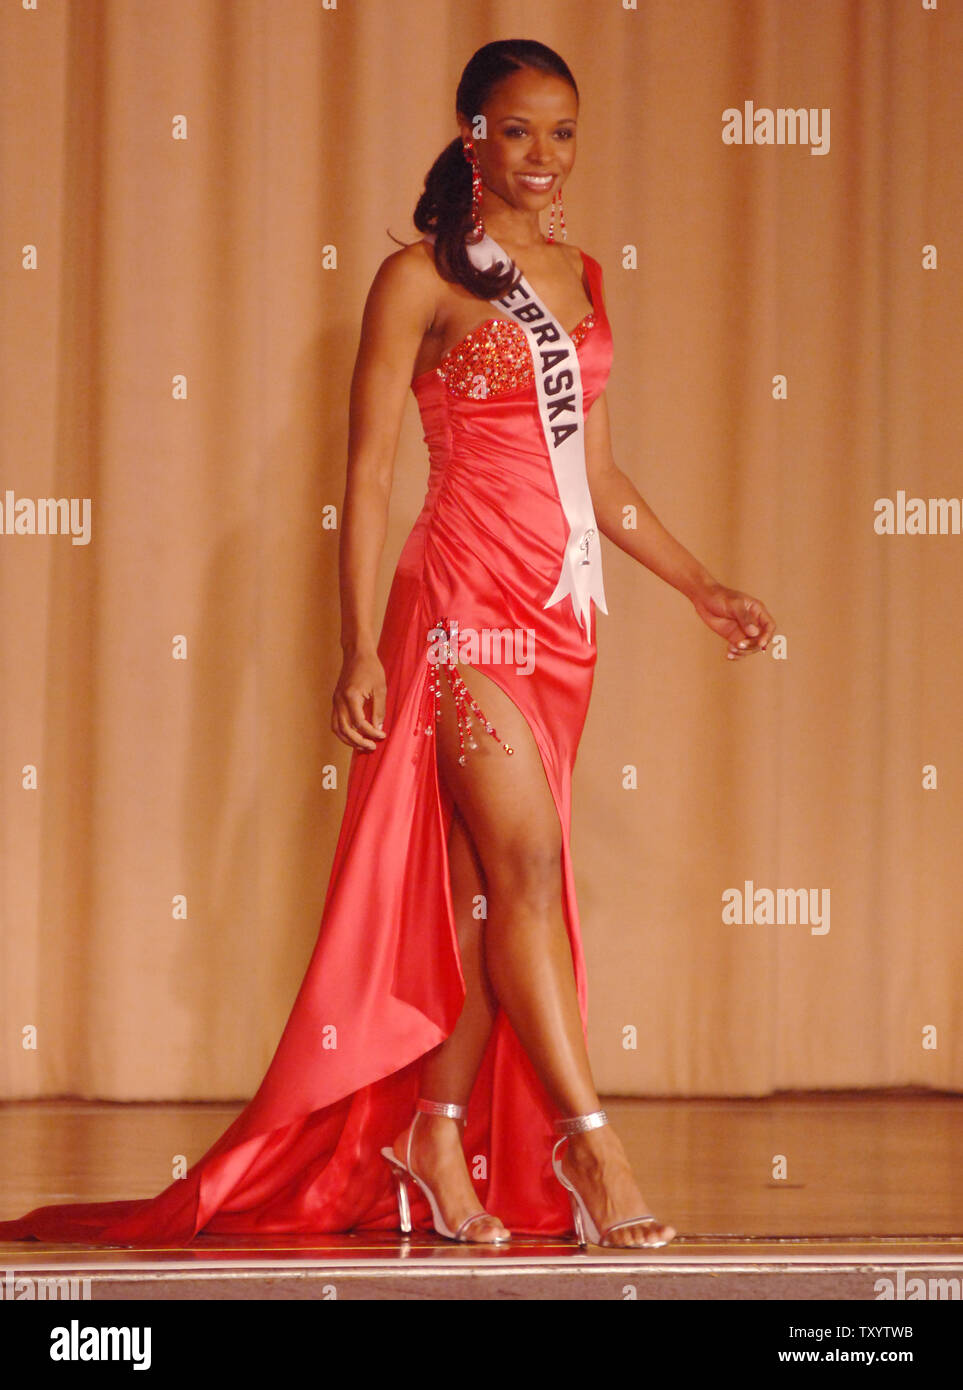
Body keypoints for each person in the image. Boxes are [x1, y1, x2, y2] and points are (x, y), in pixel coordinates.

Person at [0, 39, 774, 1252]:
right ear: (471, 132)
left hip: (560, 619)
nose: (542, 155)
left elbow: (599, 474)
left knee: (479, 897)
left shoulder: (583, 274)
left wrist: (700, 584)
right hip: (458, 602)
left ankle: (435, 1125)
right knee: (521, 866)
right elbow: (363, 478)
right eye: (517, 130)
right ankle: (592, 1140)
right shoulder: (420, 278)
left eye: (563, 132)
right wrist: (359, 645)